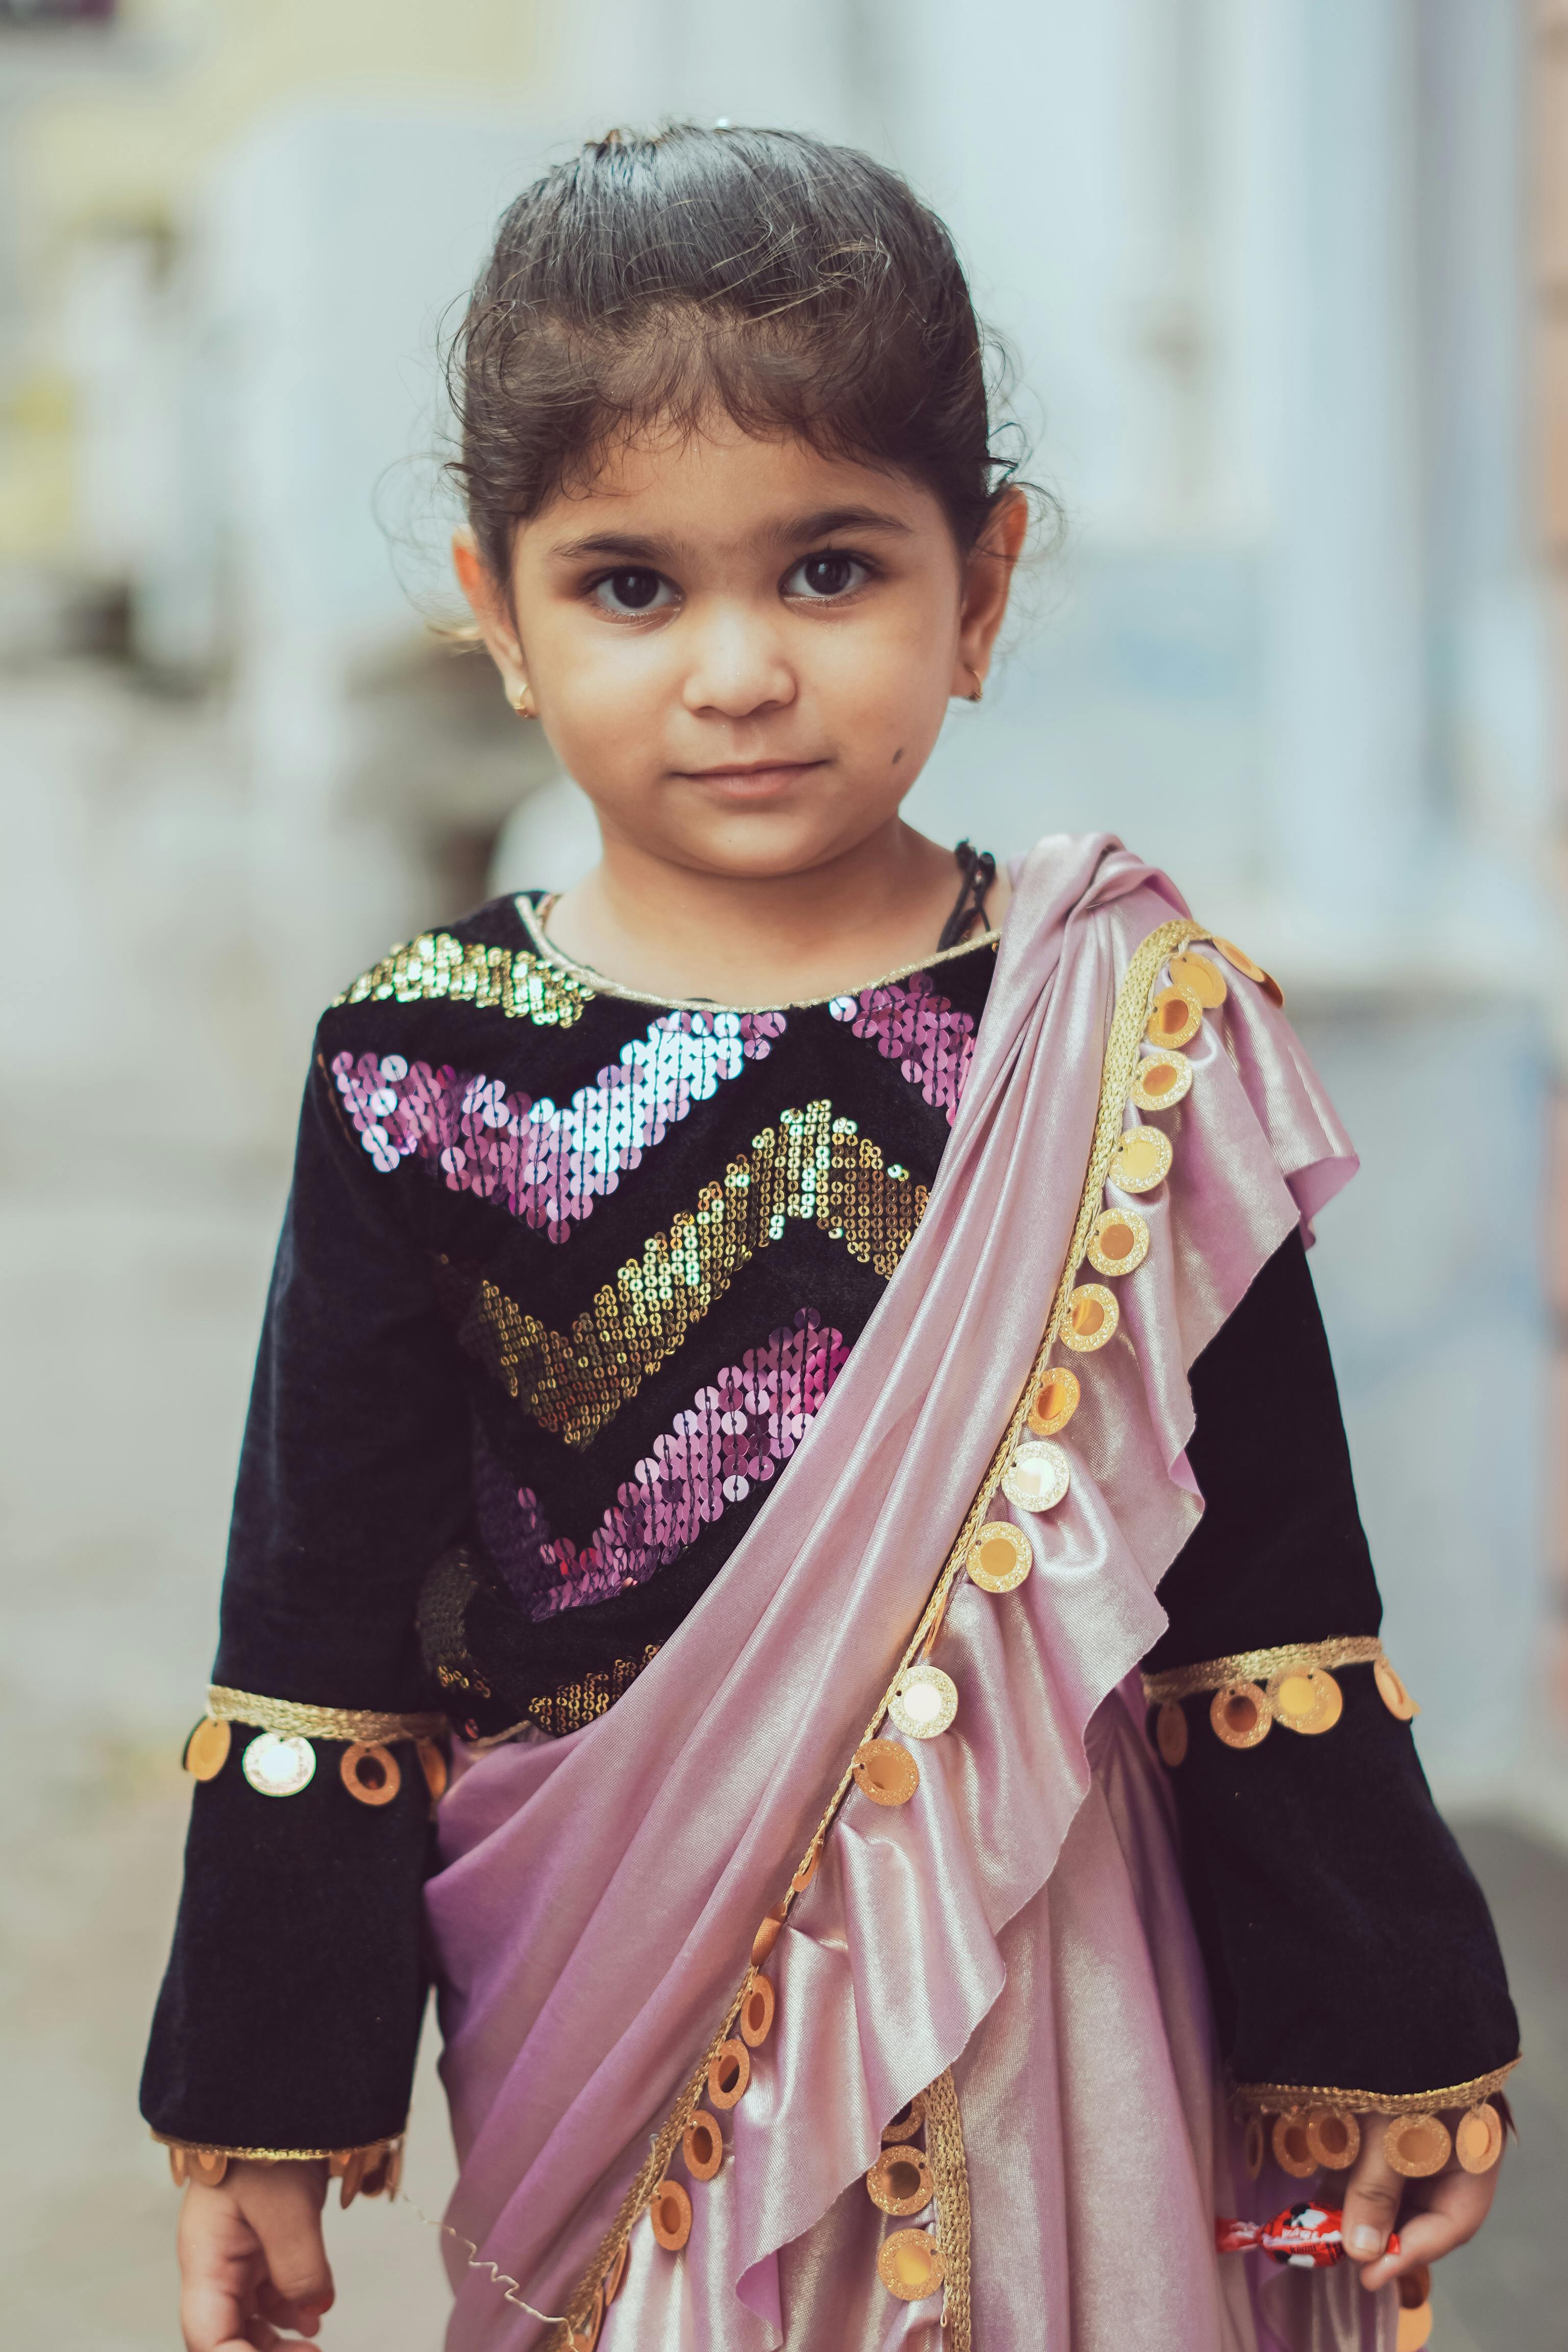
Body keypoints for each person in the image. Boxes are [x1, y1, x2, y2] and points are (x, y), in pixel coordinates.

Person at [144, 125, 1518, 2352]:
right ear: (494, 615)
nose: (737, 672)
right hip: (623, 2022)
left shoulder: (1122, 1035)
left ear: (981, 584)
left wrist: (1380, 2027)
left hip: (1061, 2010)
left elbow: (1267, 1589)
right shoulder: (423, 1070)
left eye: (828, 571)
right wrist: (261, 2116)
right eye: (628, 587)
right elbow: (318, 1643)